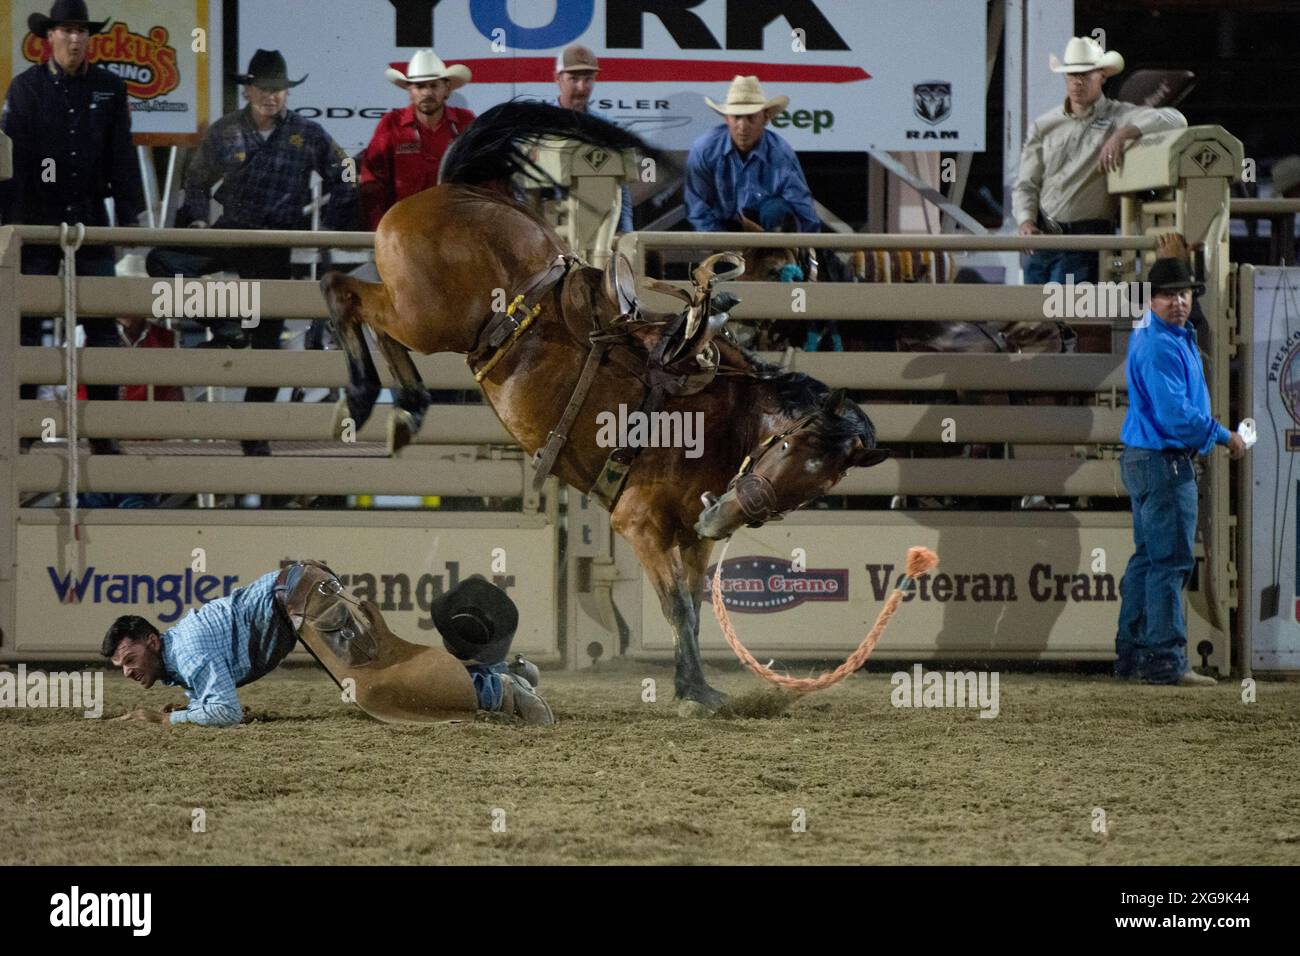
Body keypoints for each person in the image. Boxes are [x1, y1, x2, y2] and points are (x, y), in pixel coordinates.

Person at [145, 50, 358, 456]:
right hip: (231, 233)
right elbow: (197, 177)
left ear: (286, 94)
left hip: (275, 244)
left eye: (278, 90)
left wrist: (335, 220)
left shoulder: (305, 133)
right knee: (161, 259)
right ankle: (224, 323)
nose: (271, 97)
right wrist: (197, 221)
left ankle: (253, 427)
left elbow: (345, 171)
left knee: (268, 347)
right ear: (248, 90)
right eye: (264, 88)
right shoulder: (225, 130)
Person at [103, 561, 552, 726]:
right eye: (121, 666)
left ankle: (501, 694)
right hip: (302, 595)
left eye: (130, 658)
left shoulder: (191, 650)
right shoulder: (181, 650)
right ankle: (500, 675)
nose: (128, 670)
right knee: (382, 672)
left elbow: (224, 711)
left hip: (301, 602)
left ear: (152, 641)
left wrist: (171, 720)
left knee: (379, 686)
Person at [1, 0, 146, 455]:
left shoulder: (108, 87)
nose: (75, 38)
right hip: (38, 219)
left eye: (81, 30)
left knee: (101, 324)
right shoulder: (24, 89)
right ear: (50, 37)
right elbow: (14, 162)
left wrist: (132, 224)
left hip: (89, 217)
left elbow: (122, 155)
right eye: (67, 31)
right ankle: (23, 428)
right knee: (27, 325)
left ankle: (102, 433)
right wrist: (10, 227)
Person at [1115, 236, 1247, 686]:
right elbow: (1176, 416)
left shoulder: (1155, 335)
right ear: (1153, 300)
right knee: (1169, 563)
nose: (1179, 301)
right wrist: (1223, 436)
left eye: (1184, 293)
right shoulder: (1162, 345)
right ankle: (1166, 661)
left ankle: (1133, 654)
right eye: (1170, 295)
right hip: (1165, 460)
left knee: (1149, 560)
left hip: (1145, 458)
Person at [1013, 36, 1187, 284]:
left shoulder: (1119, 115)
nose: (1077, 81)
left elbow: (1174, 119)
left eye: (1085, 74)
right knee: (1031, 316)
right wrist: (1026, 220)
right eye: (1072, 74)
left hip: (1086, 241)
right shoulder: (1044, 125)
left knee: (1066, 316)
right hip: (1043, 241)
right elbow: (1026, 183)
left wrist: (1123, 133)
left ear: (1102, 76)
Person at [684, 75, 818, 235]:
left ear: (766, 118)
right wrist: (722, 246)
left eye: (751, 117)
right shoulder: (704, 150)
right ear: (727, 118)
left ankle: (777, 256)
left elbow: (800, 206)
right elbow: (698, 208)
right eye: (737, 117)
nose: (743, 126)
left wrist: (810, 246)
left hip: (770, 235)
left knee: (776, 211)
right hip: (720, 230)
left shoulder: (781, 153)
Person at [358, 49, 474, 230]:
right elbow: (373, 182)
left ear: (447, 89)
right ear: (410, 91)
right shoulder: (391, 124)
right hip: (404, 229)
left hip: (455, 227)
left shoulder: (466, 123)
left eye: (434, 86)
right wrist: (380, 230)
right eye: (420, 86)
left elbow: (483, 177)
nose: (427, 93)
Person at [552, 44, 632, 233]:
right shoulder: (536, 127)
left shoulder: (609, 129)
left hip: (599, 231)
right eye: (574, 78)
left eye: (588, 79)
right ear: (558, 79)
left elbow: (622, 192)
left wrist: (627, 236)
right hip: (551, 230)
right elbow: (522, 191)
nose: (582, 87)